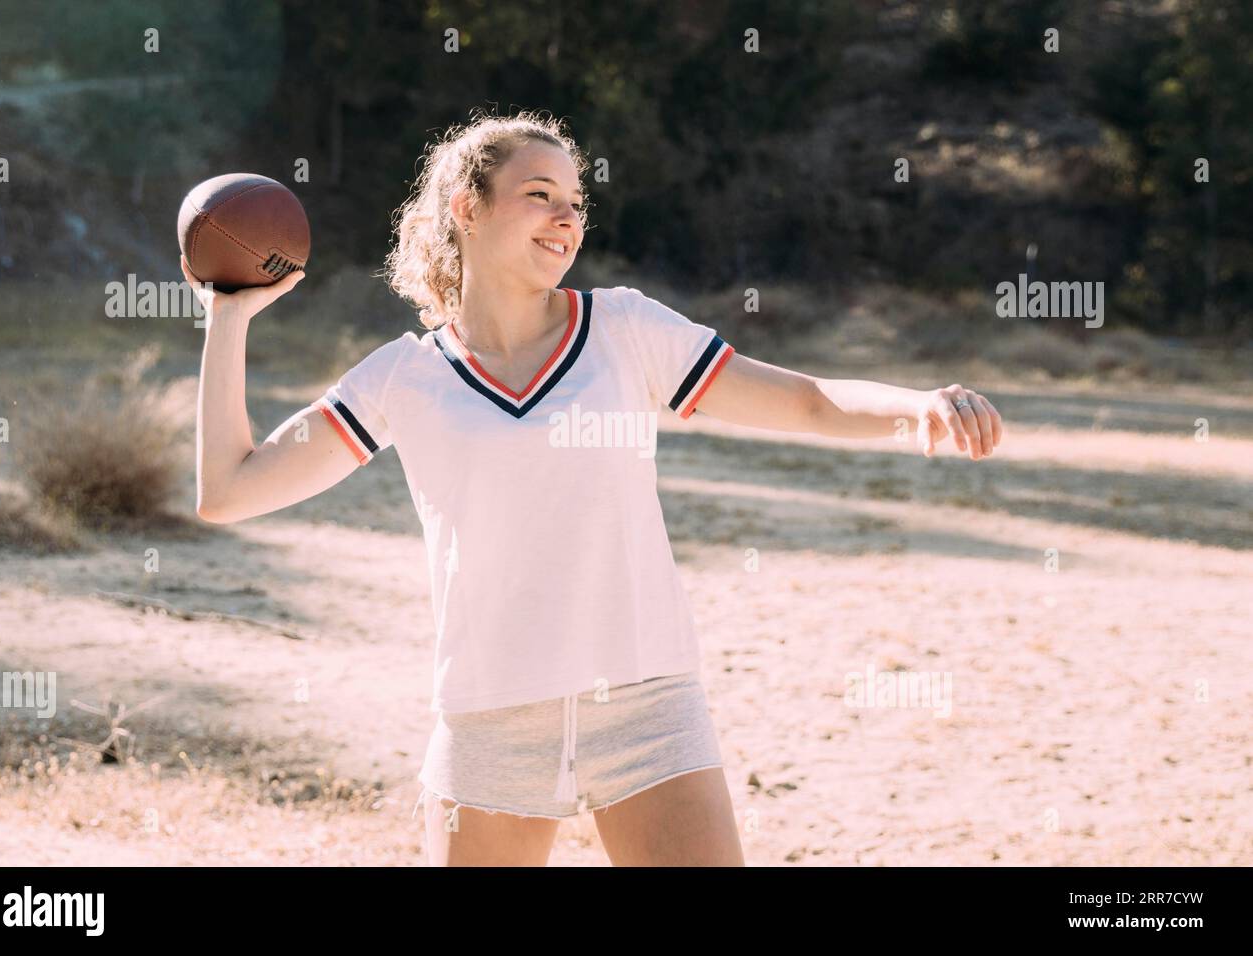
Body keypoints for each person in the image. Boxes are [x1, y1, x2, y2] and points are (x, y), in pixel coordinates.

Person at [186, 109, 1003, 867]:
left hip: (647, 707)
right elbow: (229, 489)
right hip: (490, 721)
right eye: (538, 196)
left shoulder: (624, 330)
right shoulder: (404, 377)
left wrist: (919, 409)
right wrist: (230, 317)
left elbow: (808, 401)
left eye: (576, 201)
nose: (567, 217)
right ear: (466, 209)